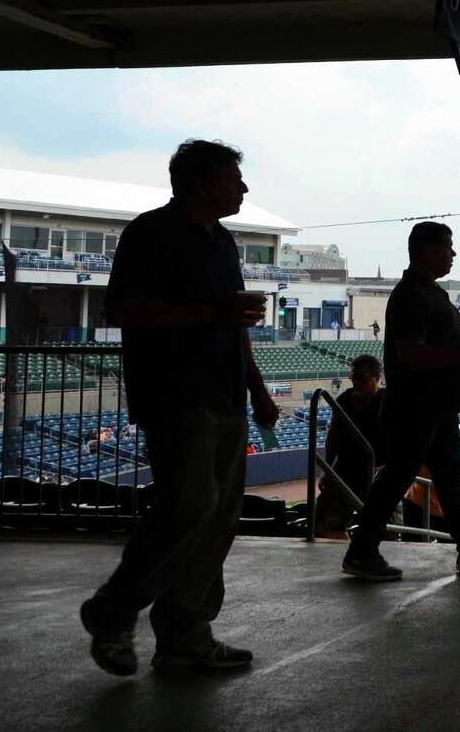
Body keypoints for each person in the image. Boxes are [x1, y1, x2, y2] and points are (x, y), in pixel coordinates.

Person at [79, 139, 280, 676]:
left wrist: (257, 388)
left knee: (217, 517)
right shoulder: (149, 233)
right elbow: (125, 309)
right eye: (234, 178)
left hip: (226, 395)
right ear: (201, 183)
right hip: (174, 394)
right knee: (189, 504)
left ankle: (186, 634)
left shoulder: (225, 242)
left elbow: (232, 324)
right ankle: (112, 609)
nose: (243, 188)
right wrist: (211, 312)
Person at [341, 221, 460, 580]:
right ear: (426, 250)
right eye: (447, 246)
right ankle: (361, 553)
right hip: (416, 409)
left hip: (435, 409)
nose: (454, 254)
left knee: (451, 482)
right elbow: (412, 356)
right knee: (397, 480)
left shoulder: (430, 293)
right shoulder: (410, 296)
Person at [316, 354, 388, 538]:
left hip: (380, 473)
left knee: (385, 530)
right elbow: (333, 437)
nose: (356, 383)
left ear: (377, 378)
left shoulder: (389, 401)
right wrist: (327, 470)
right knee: (326, 521)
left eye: (362, 379)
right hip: (346, 469)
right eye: (353, 378)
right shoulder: (344, 400)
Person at [401, 435, 460, 540]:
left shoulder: (456, 439)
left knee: (449, 545)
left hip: (447, 506)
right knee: (414, 542)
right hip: (417, 502)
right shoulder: (417, 437)